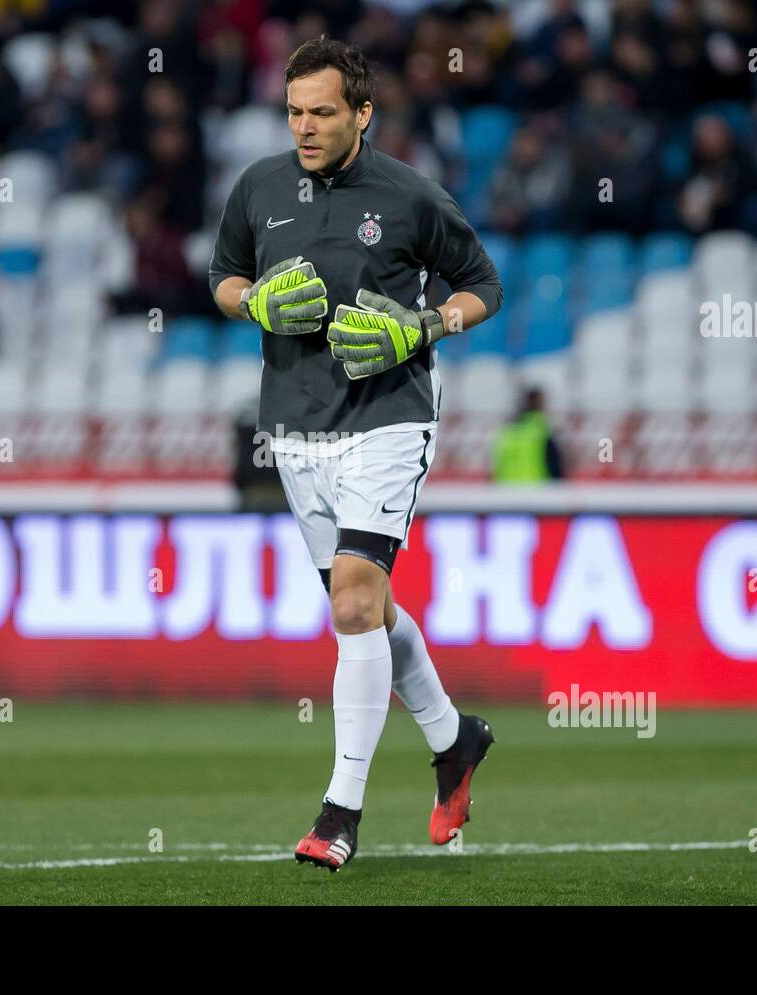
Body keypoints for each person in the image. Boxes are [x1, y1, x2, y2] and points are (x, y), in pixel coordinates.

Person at [209, 36, 504, 871]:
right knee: (365, 609)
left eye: (323, 112)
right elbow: (223, 276)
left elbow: (484, 284)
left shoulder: (410, 196)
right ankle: (455, 739)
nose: (304, 126)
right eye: (294, 111)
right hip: (294, 425)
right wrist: (252, 302)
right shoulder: (258, 186)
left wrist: (426, 323)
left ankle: (340, 813)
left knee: (351, 605)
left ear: (363, 113)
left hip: (387, 414)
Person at [493, 387, 565, 483]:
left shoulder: (507, 431)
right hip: (535, 490)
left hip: (506, 491)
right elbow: (554, 466)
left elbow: (496, 464)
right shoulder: (542, 429)